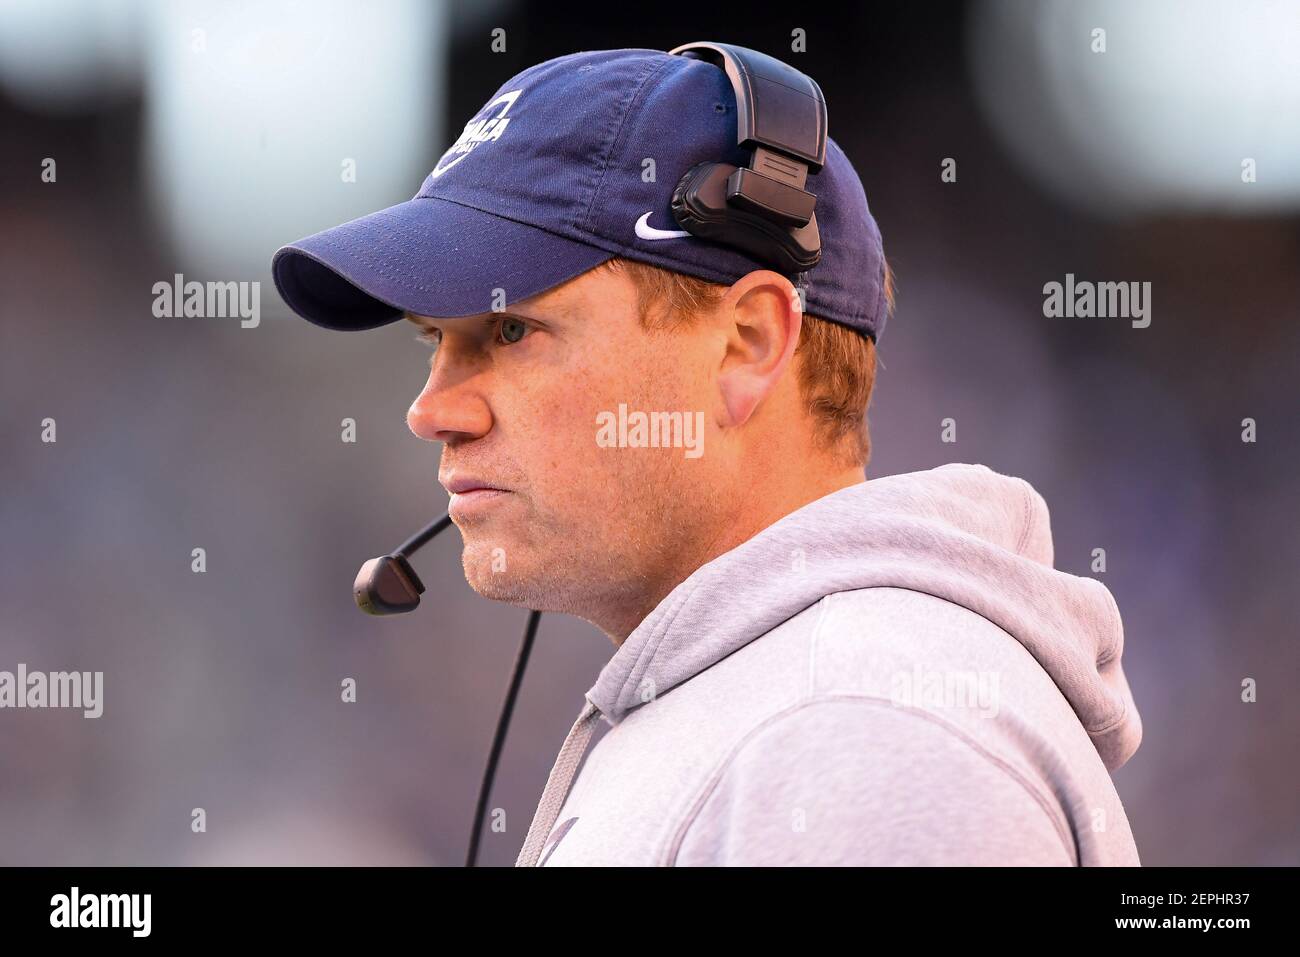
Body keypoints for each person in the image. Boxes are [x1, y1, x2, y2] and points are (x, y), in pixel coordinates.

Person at [272, 44, 1143, 866]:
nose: (431, 410)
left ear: (750, 342)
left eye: (510, 328)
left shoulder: (858, 733)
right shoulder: (784, 708)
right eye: (435, 338)